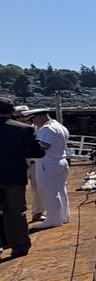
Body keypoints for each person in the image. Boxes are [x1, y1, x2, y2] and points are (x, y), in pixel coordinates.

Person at [0, 97, 46, 259]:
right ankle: (19, 246)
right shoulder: (23, 129)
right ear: (13, 111)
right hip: (15, 176)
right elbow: (39, 152)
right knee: (16, 212)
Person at [26, 108, 71, 229]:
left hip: (48, 163)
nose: (32, 122)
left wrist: (29, 145)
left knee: (49, 191)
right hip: (59, 161)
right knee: (60, 189)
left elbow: (44, 145)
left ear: (39, 117)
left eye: (32, 119)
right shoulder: (59, 126)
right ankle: (63, 216)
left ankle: (53, 219)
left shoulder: (46, 129)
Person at [12, 106, 44, 221]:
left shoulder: (37, 128)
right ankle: (17, 213)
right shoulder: (13, 129)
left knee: (38, 187)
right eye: (16, 117)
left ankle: (38, 212)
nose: (19, 119)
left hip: (35, 161)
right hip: (20, 161)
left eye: (21, 116)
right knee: (17, 188)